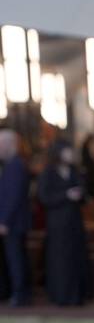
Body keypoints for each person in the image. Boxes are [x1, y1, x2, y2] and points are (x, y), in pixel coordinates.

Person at [36, 138, 93, 306]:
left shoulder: (75, 171)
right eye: (68, 151)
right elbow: (43, 197)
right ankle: (62, 295)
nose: (71, 154)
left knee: (76, 256)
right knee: (60, 259)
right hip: (58, 224)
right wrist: (66, 195)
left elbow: (84, 194)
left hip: (74, 222)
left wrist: (80, 194)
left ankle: (78, 293)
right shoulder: (48, 173)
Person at [0, 129, 32, 305]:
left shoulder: (16, 166)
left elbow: (14, 196)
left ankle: (20, 294)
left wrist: (4, 220)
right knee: (16, 258)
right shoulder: (11, 165)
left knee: (16, 258)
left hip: (14, 223)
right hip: (13, 221)